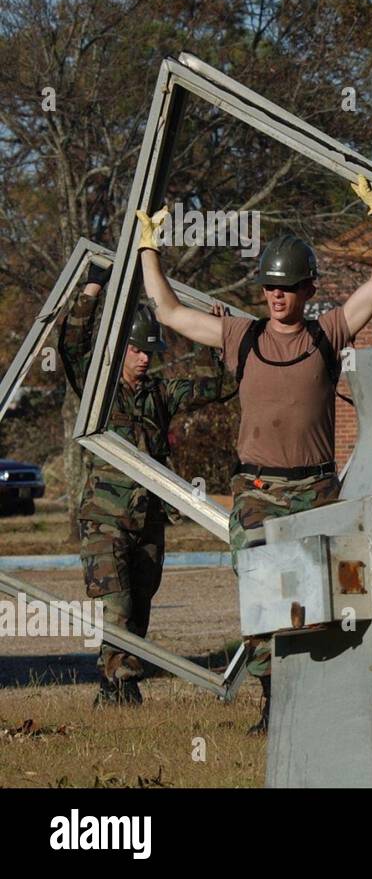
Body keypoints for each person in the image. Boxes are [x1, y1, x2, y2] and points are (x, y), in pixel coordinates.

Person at [136, 174, 372, 734]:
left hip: (318, 490)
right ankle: (273, 701)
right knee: (262, 595)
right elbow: (169, 311)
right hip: (257, 492)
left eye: (288, 287)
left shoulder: (328, 333)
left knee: (328, 595)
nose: (277, 297)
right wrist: (148, 248)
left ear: (308, 290)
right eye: (269, 288)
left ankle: (331, 702)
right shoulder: (243, 337)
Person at [59, 264, 234, 705]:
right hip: (104, 518)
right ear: (120, 350)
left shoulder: (160, 394)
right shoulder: (97, 388)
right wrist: (93, 289)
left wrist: (221, 334)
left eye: (148, 352)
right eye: (136, 351)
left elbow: (218, 387)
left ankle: (119, 685)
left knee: (138, 605)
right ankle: (117, 684)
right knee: (116, 603)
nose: (143, 359)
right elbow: (71, 344)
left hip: (148, 519)